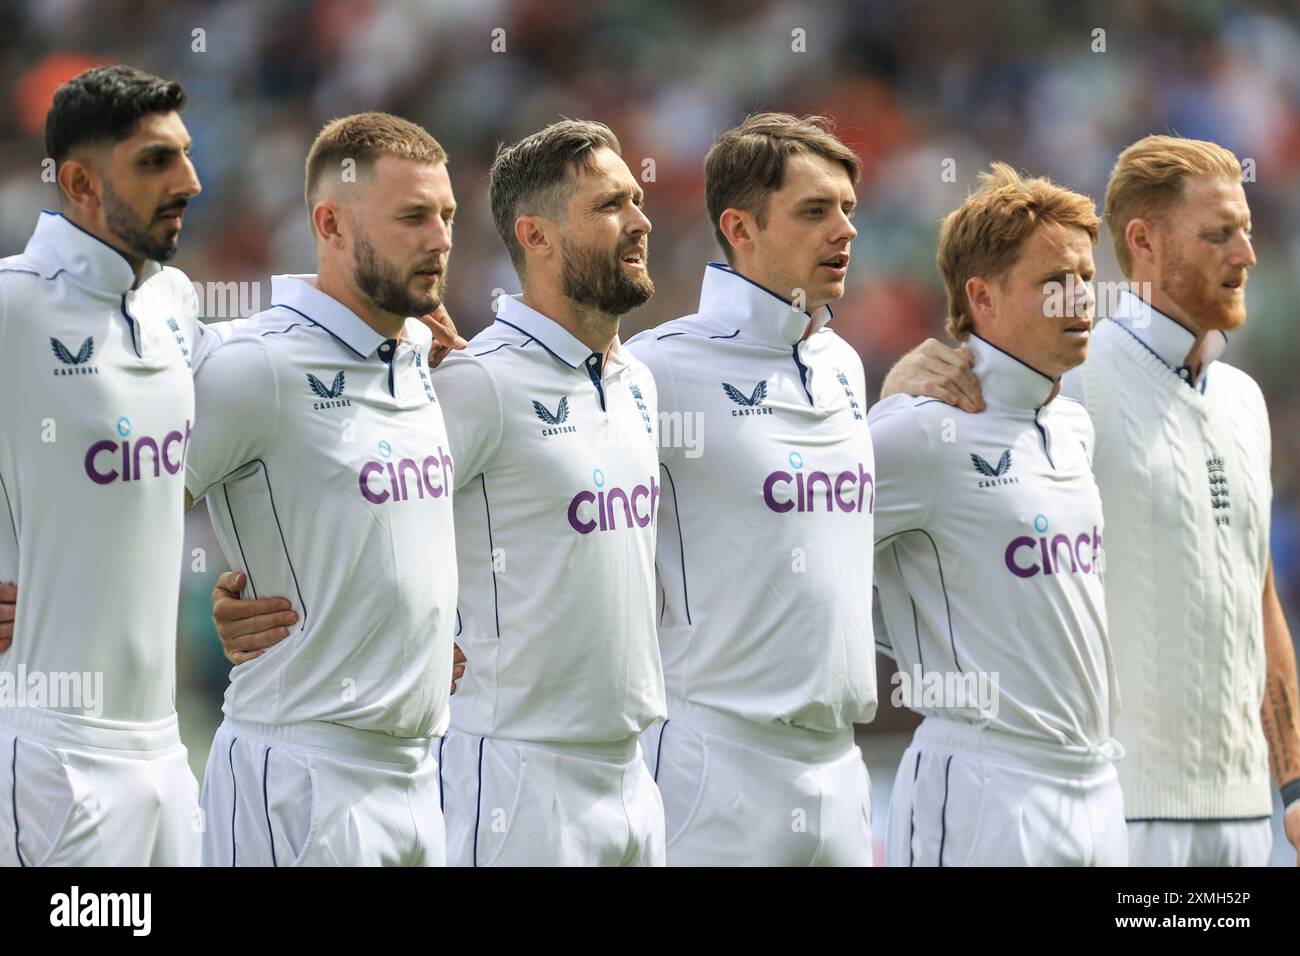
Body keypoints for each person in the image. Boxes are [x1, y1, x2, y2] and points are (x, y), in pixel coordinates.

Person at [883, 136, 1300, 866]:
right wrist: (899, 388)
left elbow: (1256, 591)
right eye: (1218, 235)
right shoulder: (1074, 381)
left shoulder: (1238, 399)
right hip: (1118, 805)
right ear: (1142, 242)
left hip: (1237, 814)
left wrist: (1292, 784)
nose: (1245, 255)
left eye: (1247, 232)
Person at [185, 112, 460, 866]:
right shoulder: (256, 366)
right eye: (412, 217)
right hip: (302, 775)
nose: (439, 238)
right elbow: (115, 497)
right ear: (330, 223)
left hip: (421, 772)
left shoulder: (424, 355)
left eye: (446, 215)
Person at [627, 113, 877, 865]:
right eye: (814, 211)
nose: (845, 231)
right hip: (715, 762)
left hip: (842, 764)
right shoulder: (657, 369)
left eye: (848, 211)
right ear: (739, 226)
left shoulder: (845, 366)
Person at [431, 120, 667, 866]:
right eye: (608, 206)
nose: (640, 221)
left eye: (635, 199)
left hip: (634, 771)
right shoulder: (478, 381)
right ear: (536, 236)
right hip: (516, 777)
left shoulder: (638, 382)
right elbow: (358, 513)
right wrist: (263, 594)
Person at [0, 65, 216, 866]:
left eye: (186, 155)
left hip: (166, 750)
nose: (190, 181)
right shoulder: (13, 307)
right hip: (53, 756)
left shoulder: (175, 304)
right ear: (82, 182)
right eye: (156, 161)